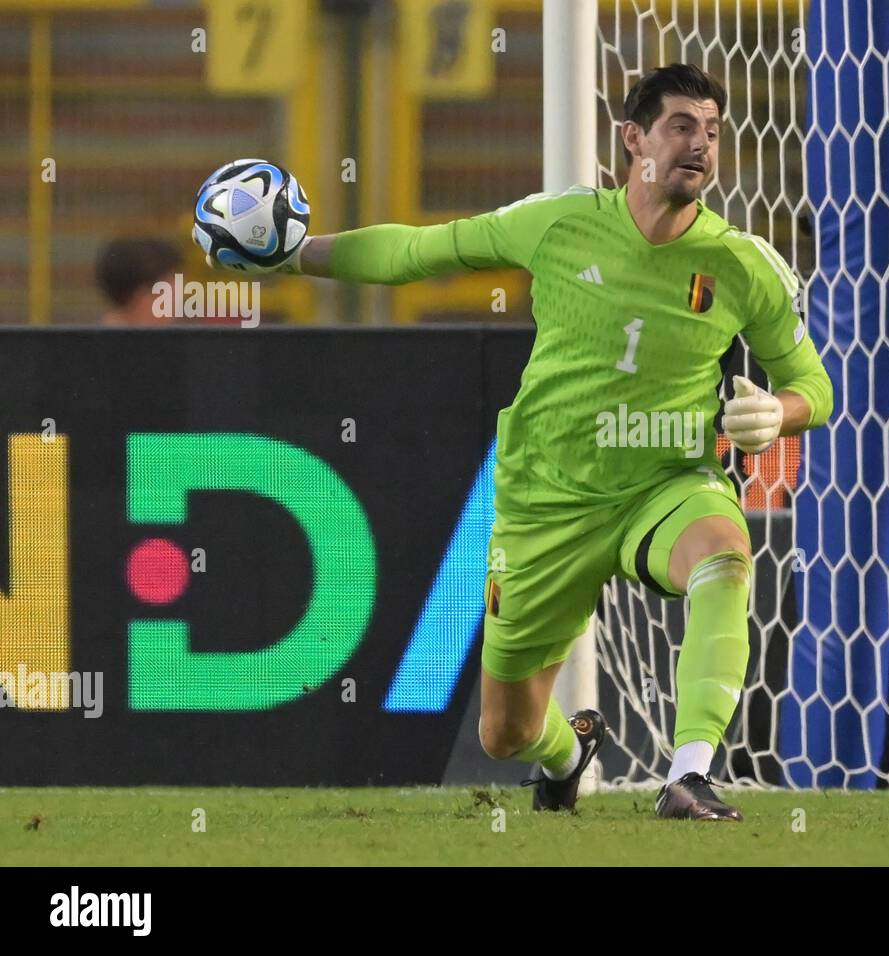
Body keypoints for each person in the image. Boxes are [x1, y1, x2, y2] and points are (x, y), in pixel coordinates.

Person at [199, 64, 833, 821]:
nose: (700, 144)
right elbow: (420, 252)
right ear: (633, 139)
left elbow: (815, 388)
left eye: (713, 131)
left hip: (665, 483)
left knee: (725, 558)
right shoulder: (560, 223)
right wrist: (297, 256)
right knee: (506, 732)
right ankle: (569, 755)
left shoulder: (743, 264)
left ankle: (689, 775)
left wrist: (777, 412)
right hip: (546, 500)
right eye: (681, 126)